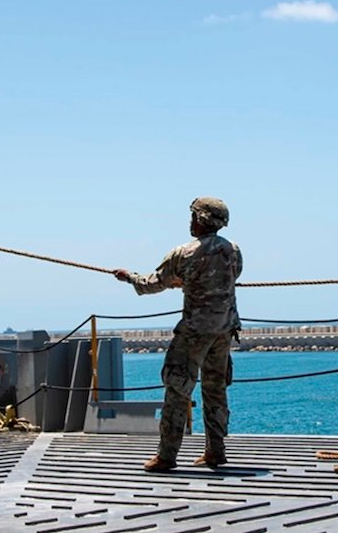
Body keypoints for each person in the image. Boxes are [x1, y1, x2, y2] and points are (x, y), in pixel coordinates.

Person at [113, 197, 243, 472]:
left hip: (195, 332)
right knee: (216, 390)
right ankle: (216, 452)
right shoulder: (233, 250)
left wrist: (129, 277)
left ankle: (167, 456)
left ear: (200, 219)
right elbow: (231, 276)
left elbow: (153, 284)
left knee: (177, 388)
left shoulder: (183, 252)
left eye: (193, 216)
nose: (190, 221)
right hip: (224, 330)